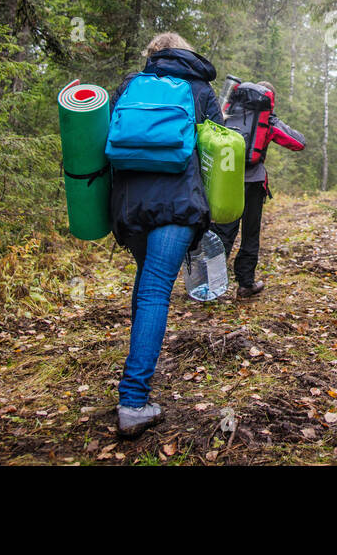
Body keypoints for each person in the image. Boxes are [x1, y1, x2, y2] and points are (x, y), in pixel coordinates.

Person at [108, 32, 222, 438]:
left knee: (146, 284)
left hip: (129, 206)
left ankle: (134, 386)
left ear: (151, 56)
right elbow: (218, 149)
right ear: (185, 52)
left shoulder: (129, 85)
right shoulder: (200, 89)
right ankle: (134, 400)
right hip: (178, 204)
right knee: (156, 289)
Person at [213, 80, 305, 299]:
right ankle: (245, 284)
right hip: (253, 183)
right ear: (268, 100)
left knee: (224, 232)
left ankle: (209, 284)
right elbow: (298, 142)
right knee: (250, 234)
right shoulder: (267, 121)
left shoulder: (228, 111)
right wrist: (273, 121)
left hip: (226, 180)